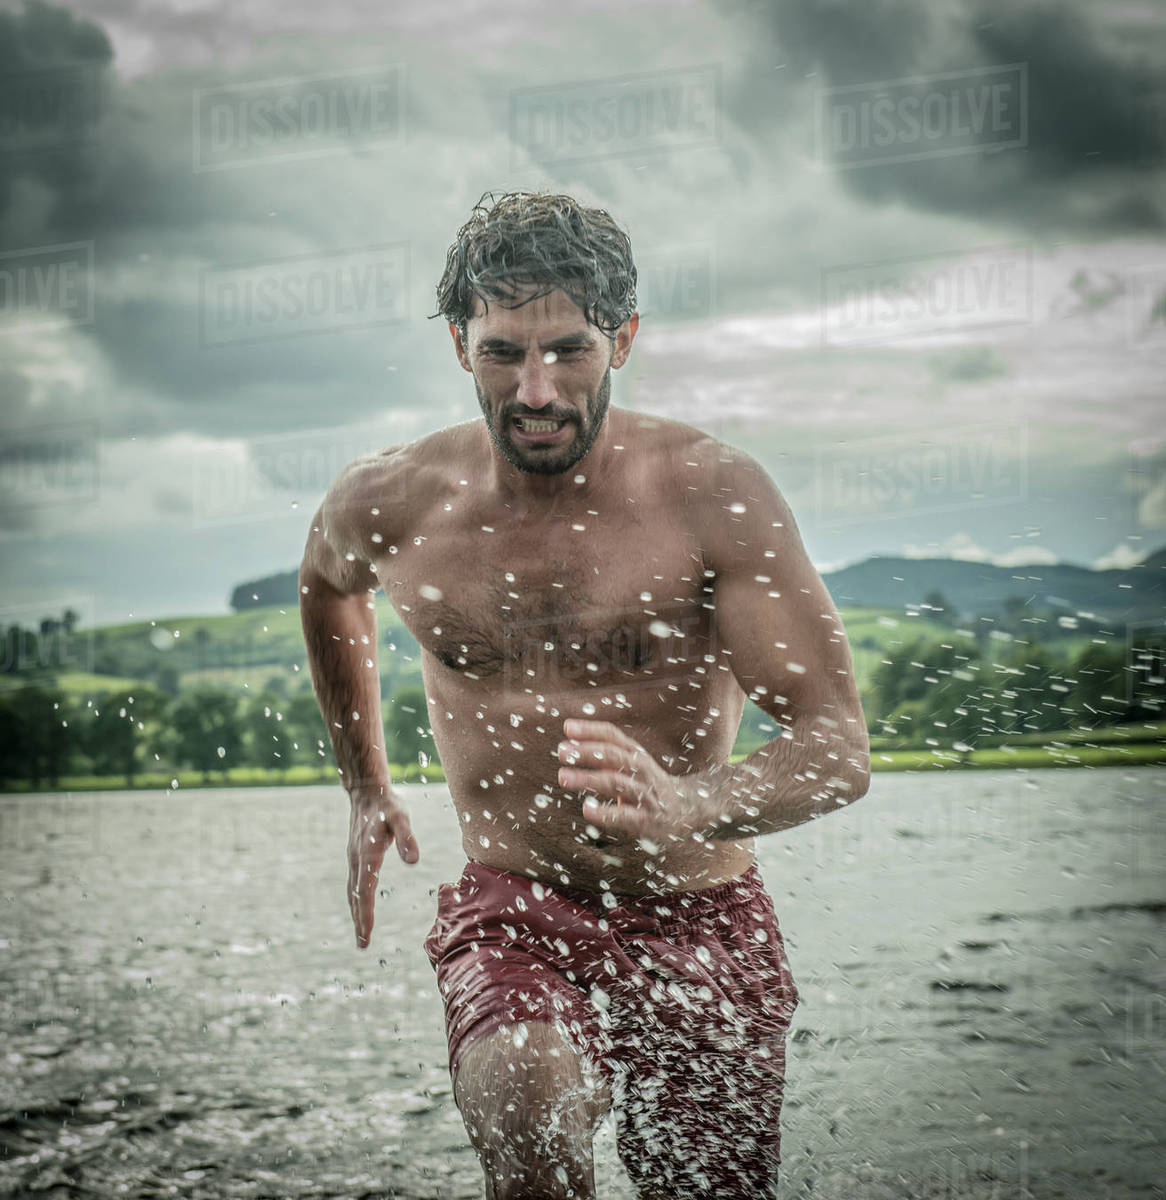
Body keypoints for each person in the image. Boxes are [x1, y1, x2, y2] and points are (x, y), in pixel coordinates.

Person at [298, 190, 870, 1200]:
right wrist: (363, 788)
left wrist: (688, 803)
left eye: (568, 351)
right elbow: (327, 585)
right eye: (501, 352)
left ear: (624, 338)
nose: (536, 390)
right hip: (512, 903)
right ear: (455, 344)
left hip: (700, 913)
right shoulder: (391, 500)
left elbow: (835, 748)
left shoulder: (709, 492)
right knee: (521, 1097)